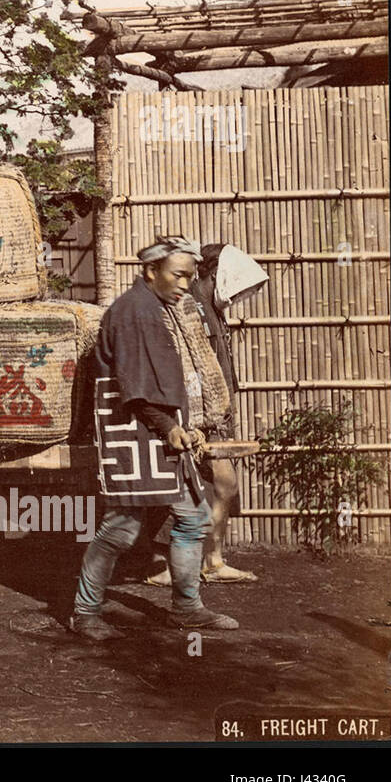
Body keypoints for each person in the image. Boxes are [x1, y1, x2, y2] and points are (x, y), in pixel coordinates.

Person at [70, 236, 239, 641]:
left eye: (189, 277)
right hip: (135, 432)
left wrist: (179, 426)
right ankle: (84, 612)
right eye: (177, 275)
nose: (184, 284)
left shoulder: (160, 310)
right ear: (150, 271)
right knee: (121, 528)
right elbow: (134, 388)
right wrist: (170, 427)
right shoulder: (133, 313)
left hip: (163, 433)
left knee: (194, 518)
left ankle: (187, 608)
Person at [144, 243, 268, 586]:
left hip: (216, 414)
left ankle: (211, 560)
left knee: (221, 486)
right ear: (215, 275)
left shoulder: (212, 308)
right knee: (200, 488)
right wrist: (193, 418)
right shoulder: (189, 307)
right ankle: (177, 564)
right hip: (196, 416)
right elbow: (186, 364)